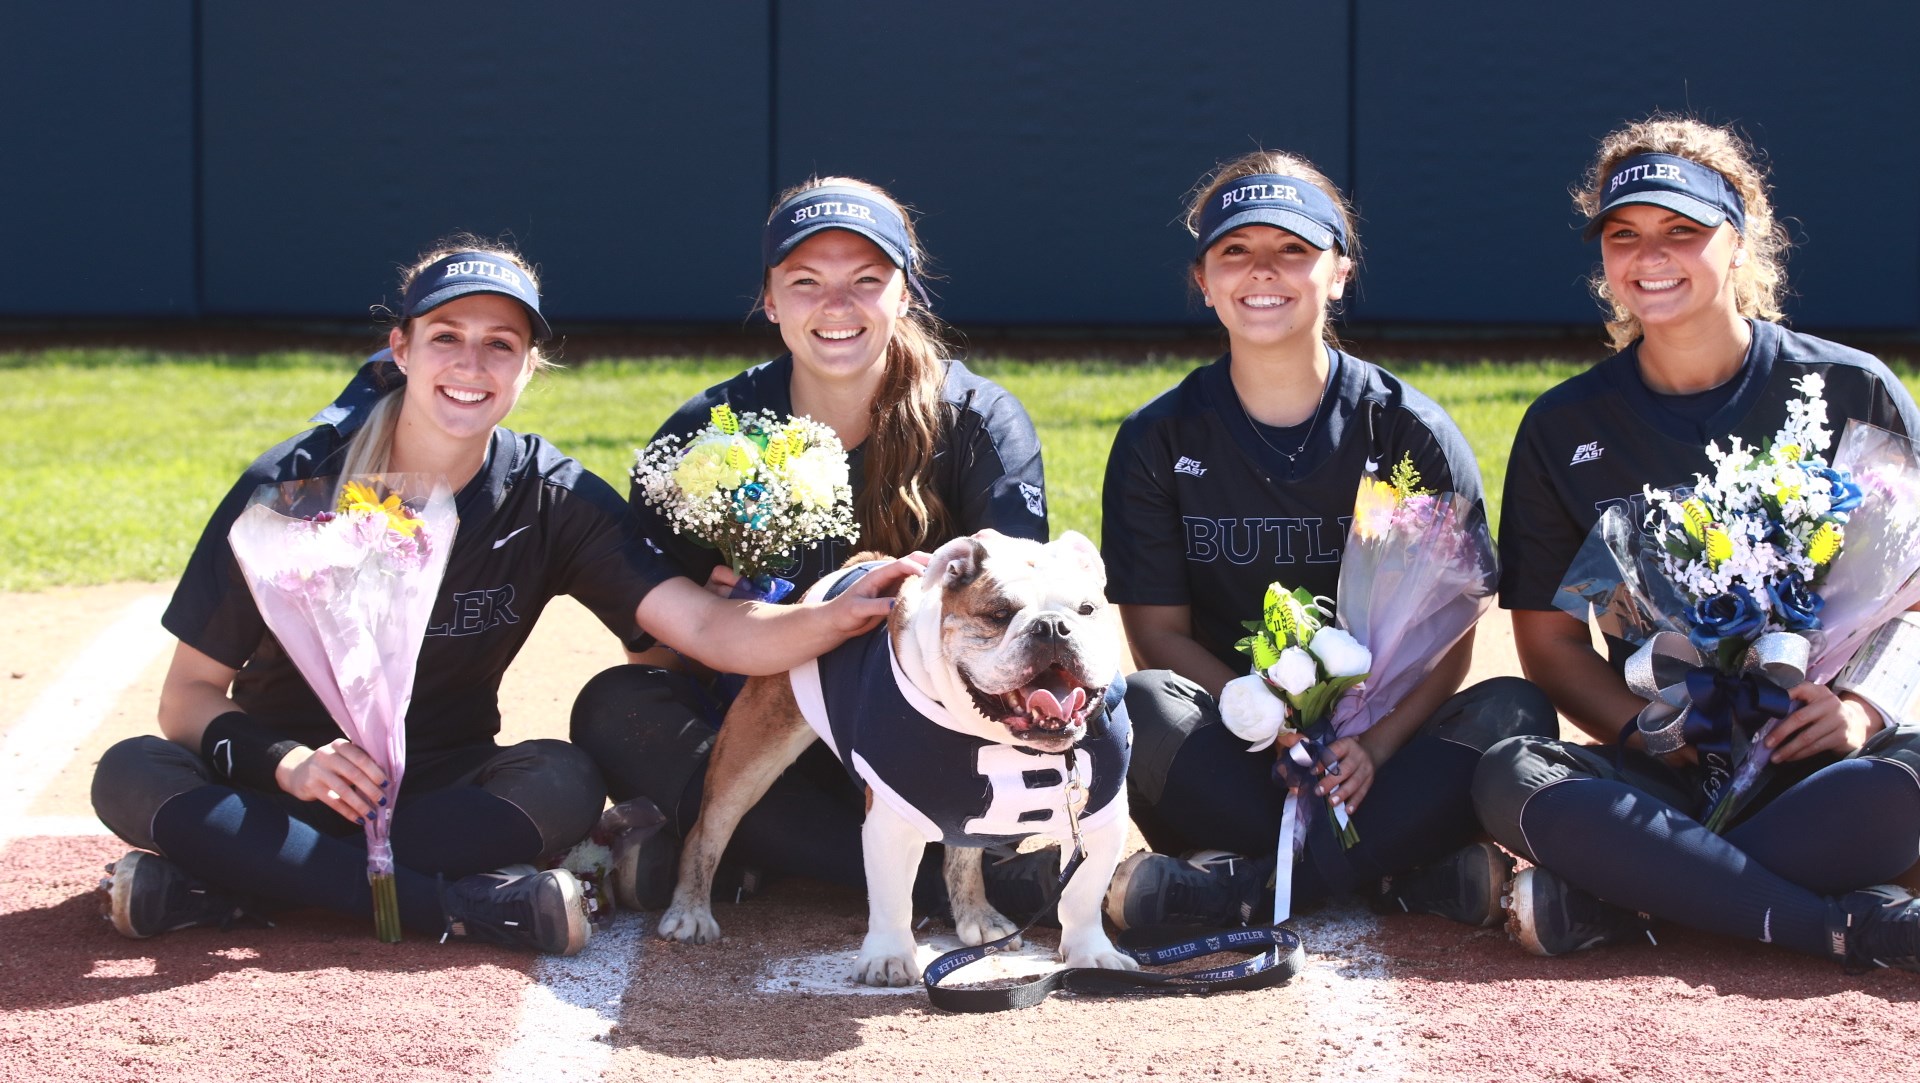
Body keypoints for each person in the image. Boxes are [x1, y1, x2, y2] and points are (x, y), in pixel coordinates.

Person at [91, 237, 915, 956]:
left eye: (500, 344)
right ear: (402, 347)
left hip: (446, 792)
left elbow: (700, 625)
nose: (471, 365)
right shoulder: (298, 482)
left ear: (529, 366)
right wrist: (293, 764)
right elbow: (187, 698)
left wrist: (834, 615)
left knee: (562, 780)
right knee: (130, 773)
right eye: (446, 336)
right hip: (279, 786)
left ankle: (237, 883)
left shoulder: (549, 493)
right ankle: (457, 906)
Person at [1478, 115, 1920, 970]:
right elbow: (1550, 641)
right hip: (1673, 774)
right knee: (1511, 773)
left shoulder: (1850, 387)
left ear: (1740, 238)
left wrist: (1860, 710)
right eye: (1625, 235)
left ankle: (1629, 892)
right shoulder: (1562, 424)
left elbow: (1914, 595)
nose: (1652, 256)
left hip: (1826, 757)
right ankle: (1844, 922)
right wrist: (1648, 732)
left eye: (1682, 231)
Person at [1099, 151, 1557, 930]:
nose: (1262, 271)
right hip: (1239, 753)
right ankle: (1406, 877)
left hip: (1385, 759)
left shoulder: (1408, 432)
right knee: (1134, 708)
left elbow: (1450, 637)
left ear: (1339, 272)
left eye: (1294, 250)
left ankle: (1243, 889)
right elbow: (1157, 638)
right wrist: (1268, 723)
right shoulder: (1157, 437)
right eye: (1235, 251)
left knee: (1516, 711)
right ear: (1204, 281)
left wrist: (1373, 746)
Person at [569, 178, 1051, 913]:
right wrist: (736, 624)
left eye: (866, 280)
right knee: (614, 704)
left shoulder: (979, 422)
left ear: (907, 293)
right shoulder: (709, 433)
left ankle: (776, 854)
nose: (837, 306)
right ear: (769, 298)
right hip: (761, 744)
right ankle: (938, 881)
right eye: (805, 282)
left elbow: (1016, 635)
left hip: (934, 742)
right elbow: (657, 652)